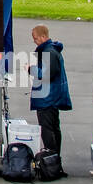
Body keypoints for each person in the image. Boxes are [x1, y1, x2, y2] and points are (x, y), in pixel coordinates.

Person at [29, 24, 71, 171]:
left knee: (48, 129)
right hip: (51, 97)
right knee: (53, 128)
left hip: (47, 98)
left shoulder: (49, 52)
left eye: (35, 38)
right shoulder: (52, 51)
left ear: (43, 37)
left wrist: (32, 69)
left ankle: (51, 161)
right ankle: (54, 160)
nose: (34, 41)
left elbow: (47, 74)